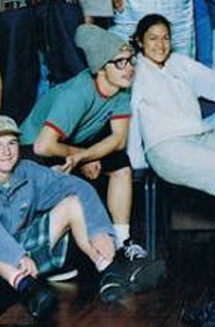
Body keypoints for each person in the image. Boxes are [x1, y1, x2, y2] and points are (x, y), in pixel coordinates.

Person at [0, 116, 155, 321]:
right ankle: (27, 289)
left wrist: (99, 231)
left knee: (73, 202)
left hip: (16, 258)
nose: (6, 152)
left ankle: (108, 271)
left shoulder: (27, 171)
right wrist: (16, 255)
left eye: (11, 143)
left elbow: (77, 186)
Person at [126, 13, 215, 270]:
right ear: (139, 41)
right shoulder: (135, 73)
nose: (160, 45)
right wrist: (135, 164)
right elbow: (131, 121)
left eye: (165, 38)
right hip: (166, 148)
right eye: (152, 38)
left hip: (202, 138)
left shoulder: (180, 63)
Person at [18, 26, 147, 256]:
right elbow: (43, 145)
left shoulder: (121, 90)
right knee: (62, 179)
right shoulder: (77, 93)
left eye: (130, 60)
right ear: (100, 69)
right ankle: (49, 254)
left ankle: (122, 241)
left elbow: (118, 140)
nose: (129, 69)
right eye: (120, 62)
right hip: (32, 151)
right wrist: (80, 158)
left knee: (121, 165)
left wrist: (83, 156)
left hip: (70, 146)